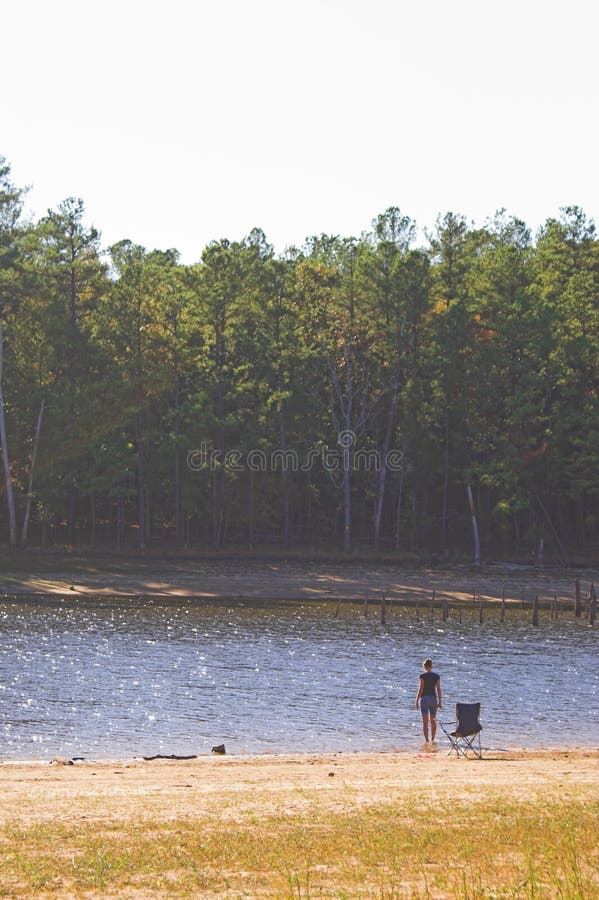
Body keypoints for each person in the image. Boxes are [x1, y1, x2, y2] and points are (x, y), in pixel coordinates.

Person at [415, 658, 442, 743]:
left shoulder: (422, 676)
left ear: (424, 667)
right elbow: (438, 689)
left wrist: (416, 700)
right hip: (433, 699)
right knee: (433, 721)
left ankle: (427, 740)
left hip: (424, 699)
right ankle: (433, 739)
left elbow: (421, 689)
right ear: (431, 666)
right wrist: (440, 702)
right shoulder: (436, 676)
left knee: (425, 722)